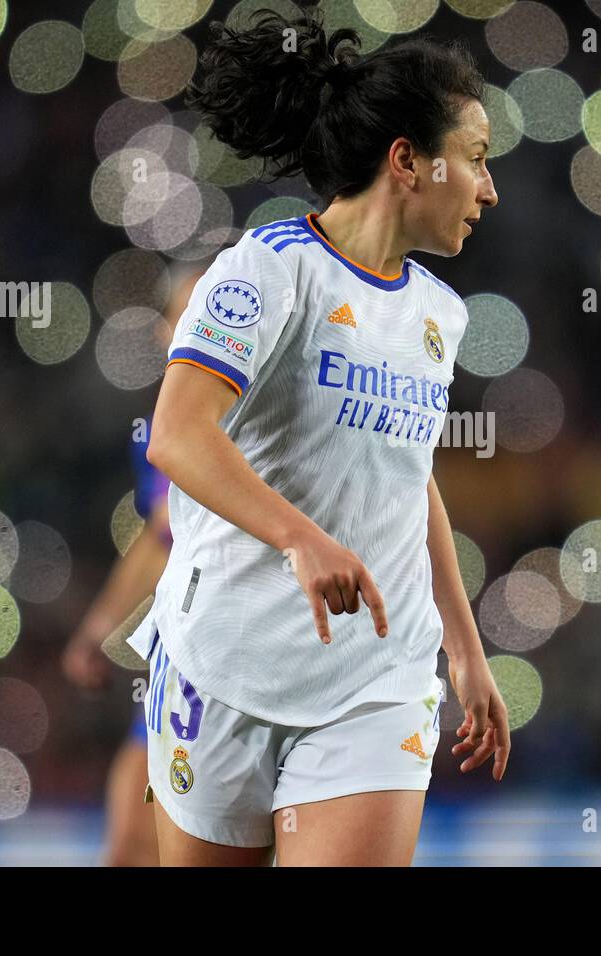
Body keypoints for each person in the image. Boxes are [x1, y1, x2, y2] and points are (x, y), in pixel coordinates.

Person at [126, 6, 507, 866]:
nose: (490, 190)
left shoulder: (440, 315)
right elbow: (179, 437)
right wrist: (301, 540)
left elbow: (409, 482)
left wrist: (463, 647)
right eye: (478, 160)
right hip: (224, 665)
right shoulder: (267, 271)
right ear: (408, 160)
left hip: (377, 678)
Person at [62, 269, 202, 866]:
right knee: (129, 849)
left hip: (253, 659)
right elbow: (160, 533)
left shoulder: (272, 416)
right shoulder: (163, 428)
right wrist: (101, 625)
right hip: (185, 664)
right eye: (186, 317)